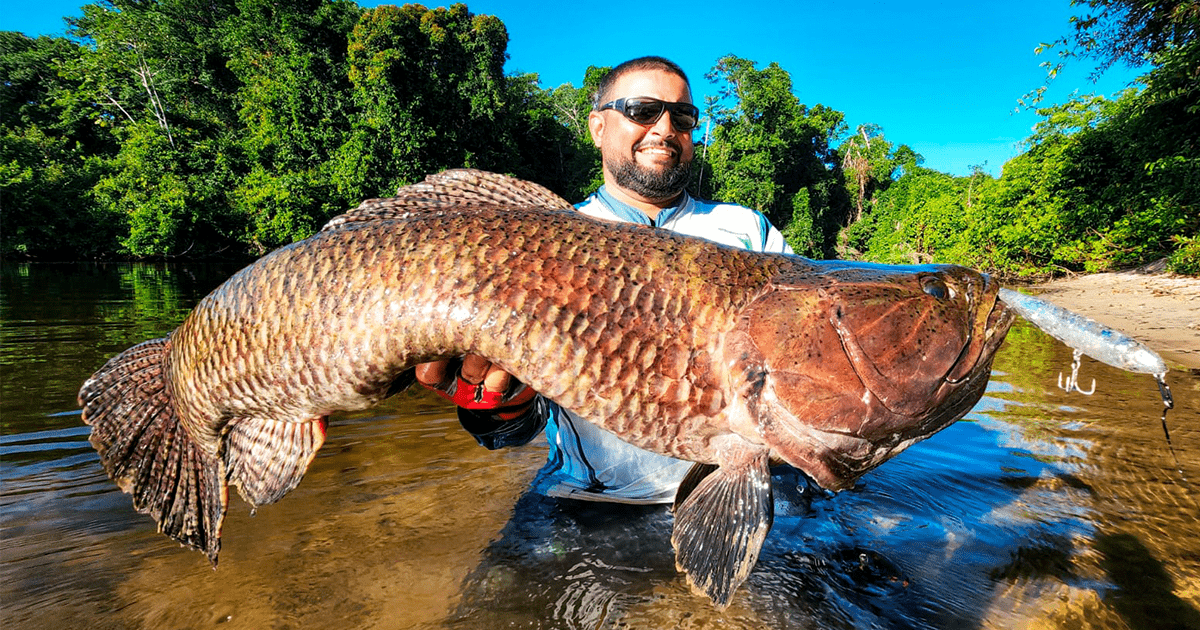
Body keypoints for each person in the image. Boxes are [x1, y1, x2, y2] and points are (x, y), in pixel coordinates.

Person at [415, 55, 794, 505]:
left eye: (683, 116)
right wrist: (498, 408)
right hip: (591, 503)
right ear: (597, 127)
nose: (665, 128)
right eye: (642, 111)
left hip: (745, 491)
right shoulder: (539, 237)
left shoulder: (750, 231)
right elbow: (508, 438)